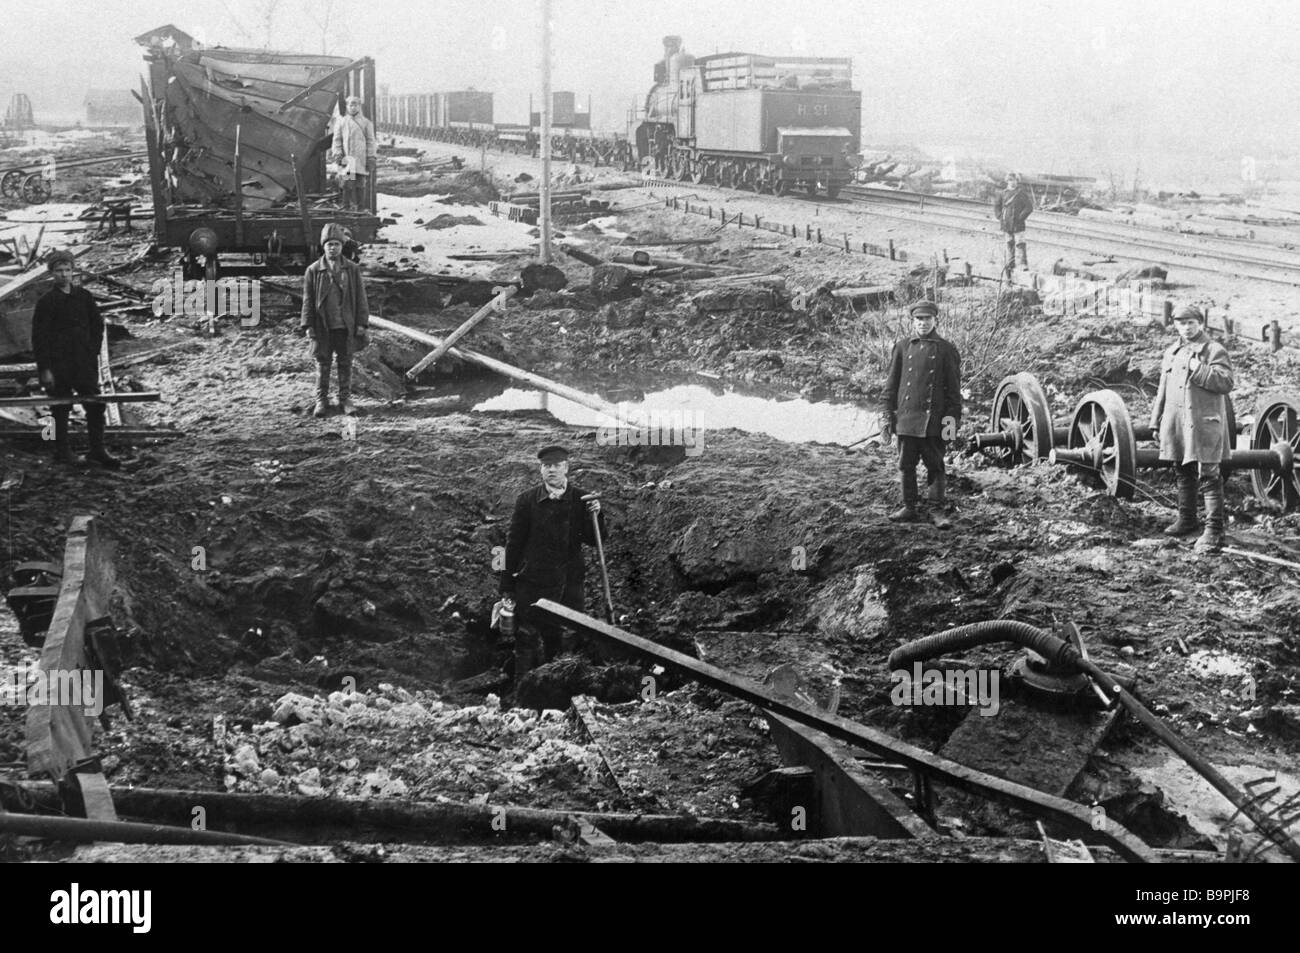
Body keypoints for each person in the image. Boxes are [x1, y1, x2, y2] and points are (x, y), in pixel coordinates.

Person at [500, 445, 606, 677]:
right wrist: (506, 584)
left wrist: (596, 515)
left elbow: (595, 540)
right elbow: (513, 544)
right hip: (533, 582)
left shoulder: (581, 498)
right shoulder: (527, 500)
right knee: (527, 637)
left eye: (557, 465)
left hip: (570, 583)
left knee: (569, 637)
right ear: (541, 470)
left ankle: (562, 692)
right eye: (547, 466)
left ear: (566, 468)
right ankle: (522, 694)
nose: (552, 470)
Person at [1150, 305, 1234, 553]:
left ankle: (1214, 529)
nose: (1185, 328)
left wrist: (1199, 368)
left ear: (1201, 324)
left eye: (1190, 323)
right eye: (1180, 323)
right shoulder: (1172, 352)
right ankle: (1187, 519)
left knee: (1209, 473)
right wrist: (1156, 421)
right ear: (1175, 325)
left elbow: (1226, 383)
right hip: (1177, 421)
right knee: (1182, 468)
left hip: (1203, 422)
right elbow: (1162, 389)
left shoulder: (1214, 350)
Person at [31, 250, 119, 468]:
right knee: (60, 406)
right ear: (51, 274)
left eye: (67, 270)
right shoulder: (47, 302)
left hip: (83, 362)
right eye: (59, 271)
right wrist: (45, 370)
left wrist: (93, 351)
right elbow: (39, 339)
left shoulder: (84, 296)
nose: (64, 275)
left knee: (95, 403)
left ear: (73, 272)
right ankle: (62, 451)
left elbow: (97, 326)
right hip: (58, 365)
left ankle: (97, 450)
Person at [882, 300, 962, 527]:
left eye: (927, 319)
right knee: (905, 465)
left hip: (933, 420)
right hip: (907, 419)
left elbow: (954, 393)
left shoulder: (946, 350)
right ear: (912, 321)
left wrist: (951, 422)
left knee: (935, 465)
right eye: (919, 319)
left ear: (935, 320)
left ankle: (937, 510)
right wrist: (886, 414)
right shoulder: (902, 347)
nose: (923, 323)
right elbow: (891, 386)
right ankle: (909, 507)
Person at [300, 223, 370, 417]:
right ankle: (321, 401)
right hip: (323, 326)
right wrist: (308, 325)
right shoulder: (313, 271)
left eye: (337, 244)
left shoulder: (352, 269)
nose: (333, 248)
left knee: (345, 361)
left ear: (342, 246)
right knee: (323, 363)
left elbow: (361, 299)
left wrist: (361, 323)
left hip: (345, 325)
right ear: (323, 246)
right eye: (329, 244)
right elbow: (308, 300)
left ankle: (344, 399)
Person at [331, 95, 376, 211]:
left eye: (355, 105)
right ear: (347, 106)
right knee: (347, 184)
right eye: (350, 105)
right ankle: (346, 207)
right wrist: (338, 154)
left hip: (361, 159)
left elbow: (371, 141)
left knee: (360, 184)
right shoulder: (342, 122)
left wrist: (371, 157)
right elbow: (337, 140)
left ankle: (360, 208)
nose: (353, 107)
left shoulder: (366, 123)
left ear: (359, 106)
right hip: (347, 160)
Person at [993, 172, 1034, 273]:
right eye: (1010, 180)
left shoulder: (1021, 193)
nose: (1013, 182)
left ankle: (1023, 264)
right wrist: (1000, 217)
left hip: (1018, 224)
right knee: (1009, 243)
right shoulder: (1003, 193)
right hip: (1007, 223)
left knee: (1020, 243)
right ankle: (1010, 263)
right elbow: (997, 206)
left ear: (1017, 181)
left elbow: (1029, 207)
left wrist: (1021, 218)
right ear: (1007, 181)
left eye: (1015, 180)